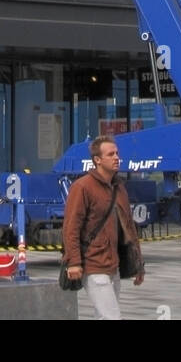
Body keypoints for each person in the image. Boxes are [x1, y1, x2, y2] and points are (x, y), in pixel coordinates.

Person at [62, 137, 145, 320]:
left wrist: (138, 265)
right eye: (110, 154)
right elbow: (71, 228)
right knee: (111, 317)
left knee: (103, 316)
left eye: (117, 153)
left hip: (113, 265)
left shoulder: (119, 187)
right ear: (97, 160)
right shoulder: (82, 187)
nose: (116, 157)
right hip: (93, 264)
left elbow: (129, 227)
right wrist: (74, 261)